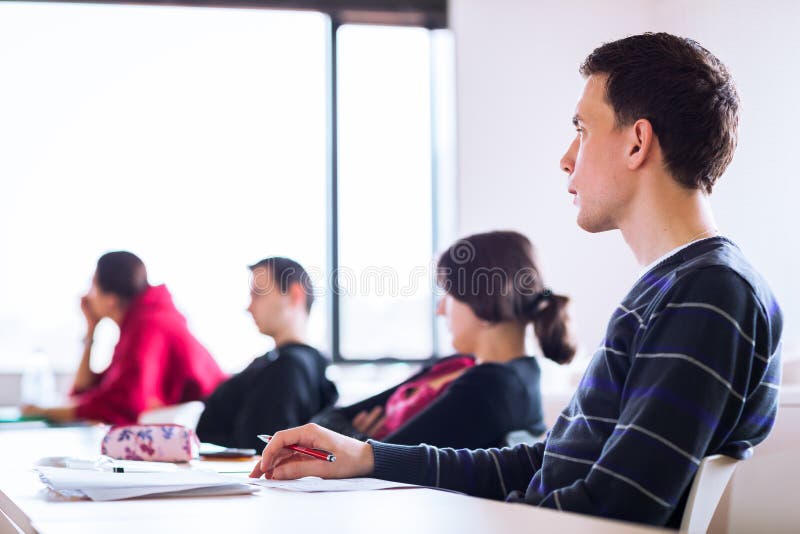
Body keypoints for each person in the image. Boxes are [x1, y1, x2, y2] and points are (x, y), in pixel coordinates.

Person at [250, 33, 783, 528]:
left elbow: (622, 509)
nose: (566, 158)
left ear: (637, 142)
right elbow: (545, 463)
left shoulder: (708, 294)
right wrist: (365, 457)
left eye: (581, 129)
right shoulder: (677, 289)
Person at [313, 231, 575, 449]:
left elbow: (380, 461)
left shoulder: (492, 386)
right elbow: (328, 420)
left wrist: (360, 440)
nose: (439, 309)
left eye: (448, 294)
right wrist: (365, 443)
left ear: (482, 303)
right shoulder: (462, 366)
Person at [21, 251, 226, 424]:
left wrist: (46, 412)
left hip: (214, 429)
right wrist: (91, 331)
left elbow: (124, 405)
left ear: (110, 299)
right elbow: (85, 391)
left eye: (92, 286)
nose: (87, 296)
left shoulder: (149, 324)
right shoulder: (137, 323)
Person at [196, 257, 338, 452]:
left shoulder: (288, 366)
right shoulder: (295, 363)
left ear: (295, 294)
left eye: (257, 294)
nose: (249, 307)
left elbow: (259, 447)